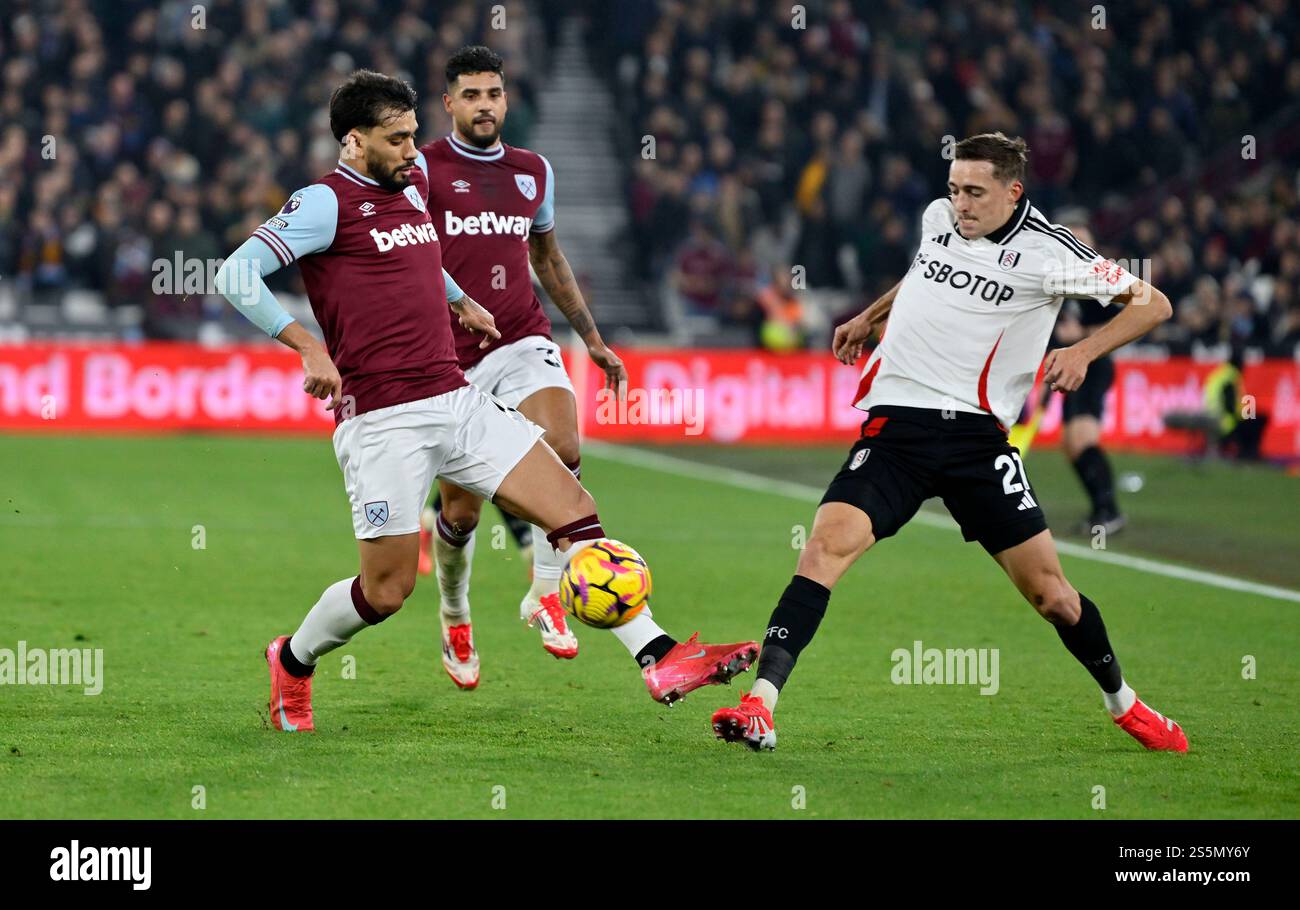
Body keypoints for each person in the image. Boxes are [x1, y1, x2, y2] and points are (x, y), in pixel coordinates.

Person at [213, 70, 755, 731]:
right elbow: (235, 273)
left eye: (415, 135)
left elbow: (421, 251)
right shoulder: (324, 203)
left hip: (455, 397)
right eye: (397, 139)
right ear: (354, 142)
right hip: (384, 419)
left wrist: (457, 298)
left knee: (575, 509)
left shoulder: (408, 186)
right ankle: (293, 661)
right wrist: (307, 345)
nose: (414, 151)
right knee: (385, 591)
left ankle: (659, 656)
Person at [711, 133, 1187, 753]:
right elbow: (922, 276)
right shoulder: (939, 219)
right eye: (954, 188)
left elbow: (1154, 303)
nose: (959, 203)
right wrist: (870, 317)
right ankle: (760, 705)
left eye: (975, 192)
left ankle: (1124, 704)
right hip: (897, 430)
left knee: (1052, 596)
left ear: (1012, 191)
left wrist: (1082, 350)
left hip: (976, 442)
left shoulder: (1051, 253)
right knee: (823, 550)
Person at [415, 45, 630, 681]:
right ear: (449, 102)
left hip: (521, 337)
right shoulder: (423, 168)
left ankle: (543, 592)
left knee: (562, 446)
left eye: (495, 93)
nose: (485, 105)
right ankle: (455, 615)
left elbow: (549, 258)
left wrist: (590, 337)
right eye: (472, 95)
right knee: (460, 513)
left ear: (507, 99)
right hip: (451, 359)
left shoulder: (533, 170)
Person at [1052, 221, 1126, 534]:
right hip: (1069, 366)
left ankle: (1110, 512)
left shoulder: (1102, 281)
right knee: (1070, 444)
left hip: (1094, 364)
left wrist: (1081, 334)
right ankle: (1099, 510)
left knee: (1083, 439)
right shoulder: (1056, 280)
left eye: (1083, 241)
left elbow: (1128, 319)